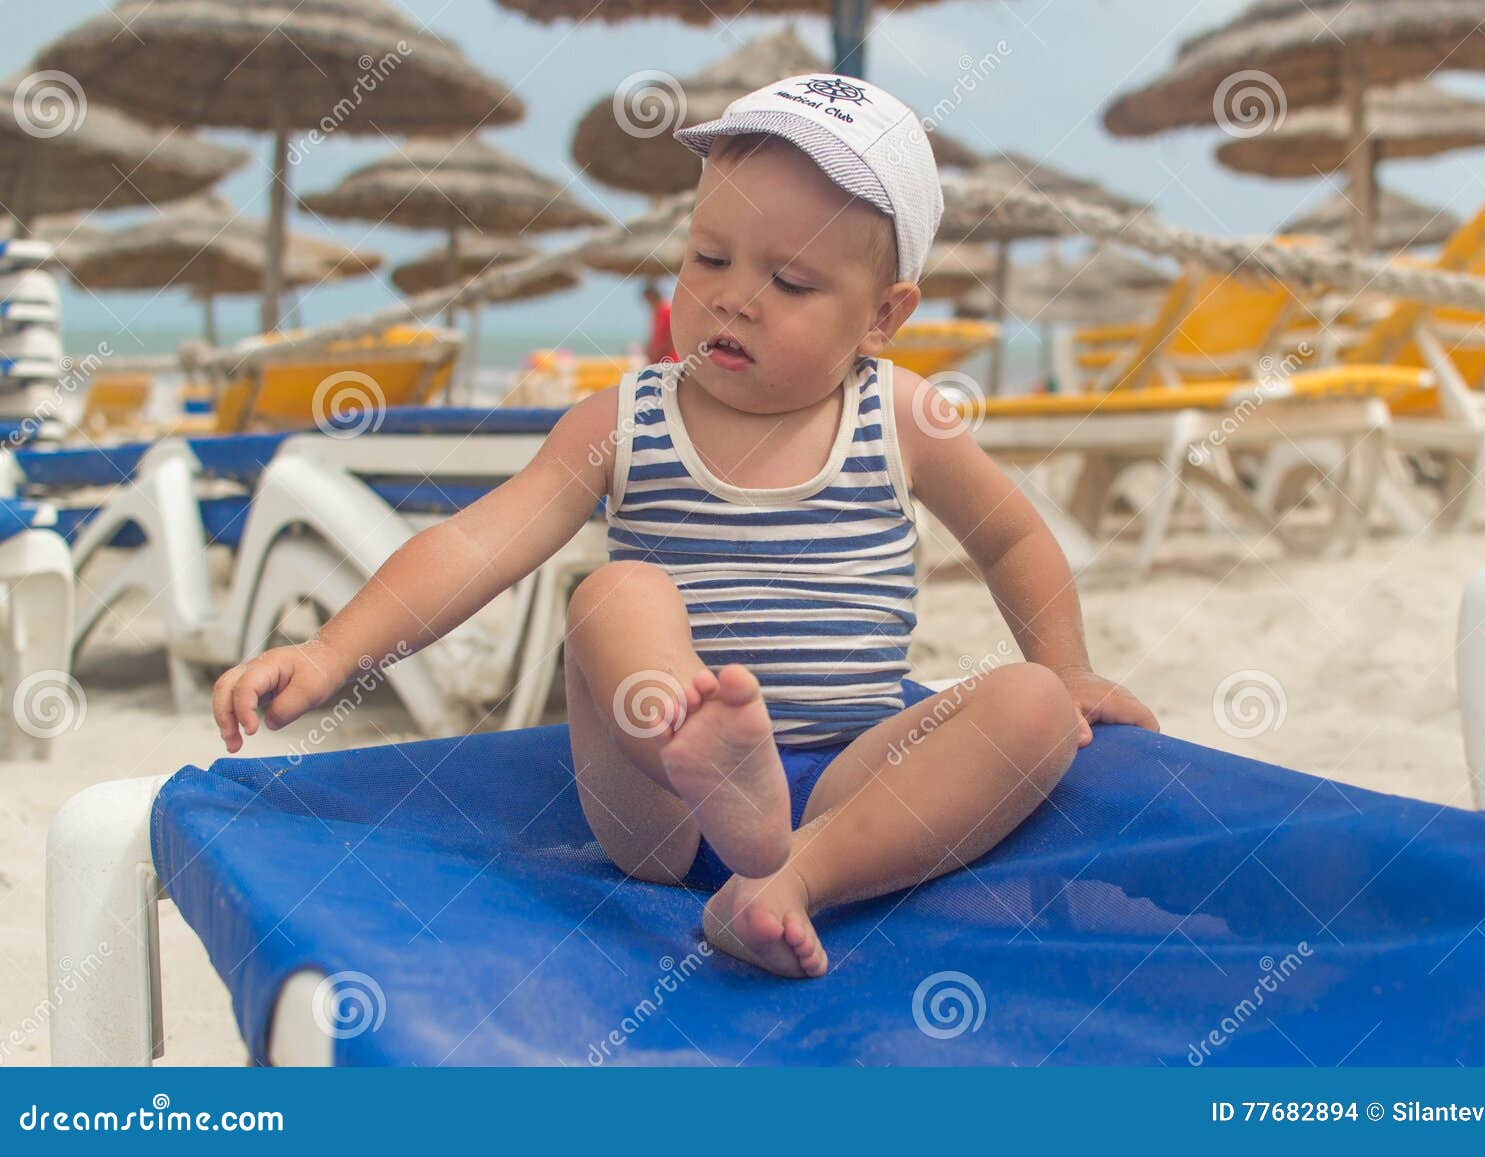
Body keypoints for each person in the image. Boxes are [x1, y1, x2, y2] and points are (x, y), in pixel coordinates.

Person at [211, 74, 1157, 980]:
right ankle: (704, 750)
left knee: (1030, 704)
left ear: (883, 316)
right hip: (658, 802)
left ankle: (793, 878)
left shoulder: (906, 418)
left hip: (846, 784)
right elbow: (477, 542)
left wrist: (1066, 666)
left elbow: (1015, 538)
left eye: (789, 281)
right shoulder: (623, 420)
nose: (734, 296)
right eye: (708, 258)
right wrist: (335, 651)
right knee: (615, 593)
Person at [643, 282, 677, 363]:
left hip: (669, 360)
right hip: (659, 360)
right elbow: (656, 337)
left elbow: (671, 337)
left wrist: (657, 353)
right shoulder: (656, 313)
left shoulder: (666, 311)